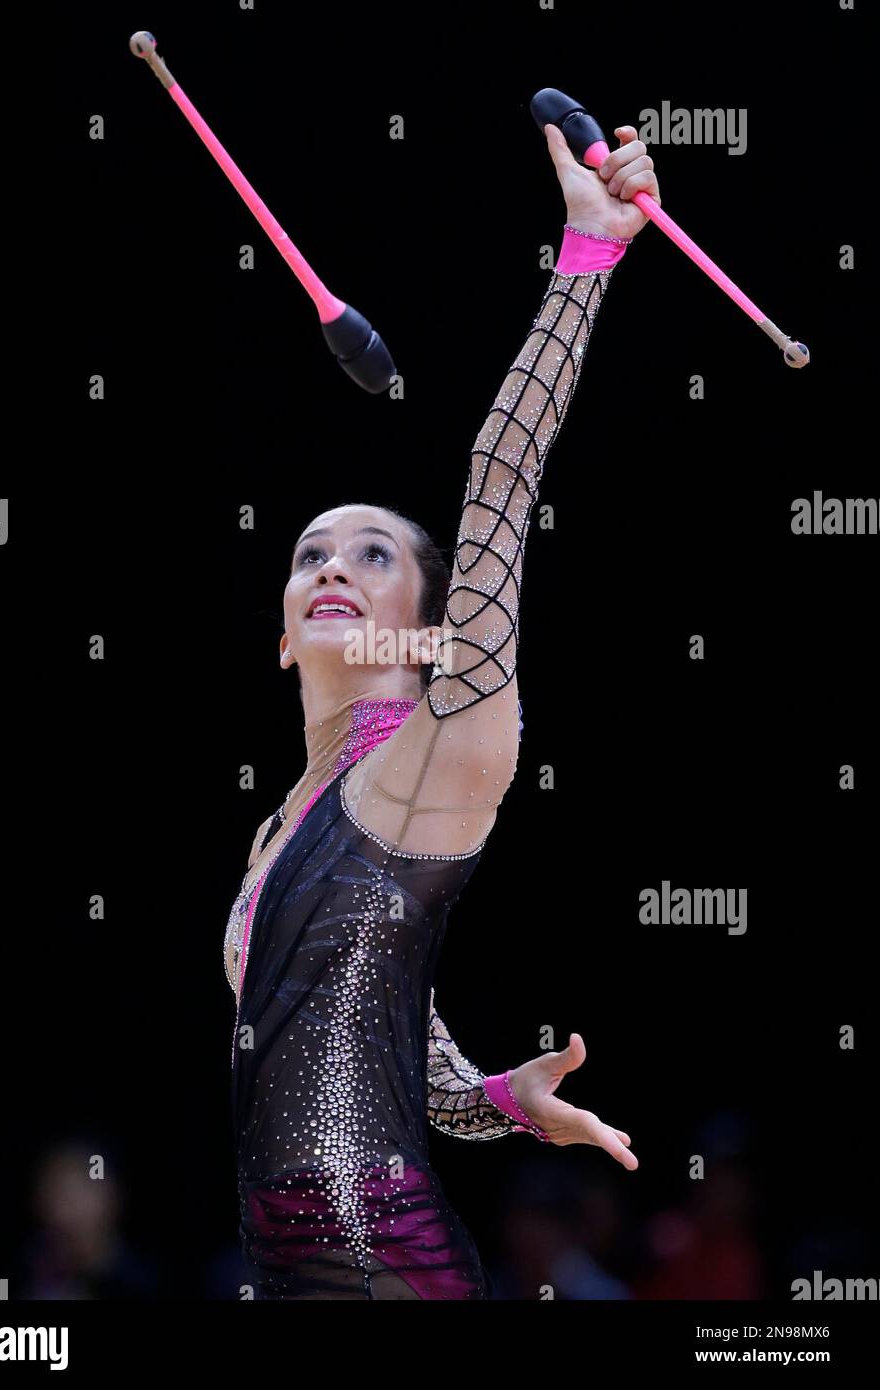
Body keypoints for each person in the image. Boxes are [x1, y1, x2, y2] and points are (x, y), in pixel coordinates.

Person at [223, 122, 660, 1299]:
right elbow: (405, 1071)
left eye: (372, 557)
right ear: (279, 637)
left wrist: (586, 256)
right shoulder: (282, 832)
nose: (330, 568)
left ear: (427, 631)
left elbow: (500, 478)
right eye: (311, 554)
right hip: (291, 1266)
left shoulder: (439, 749)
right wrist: (501, 1102)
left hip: (385, 1266)